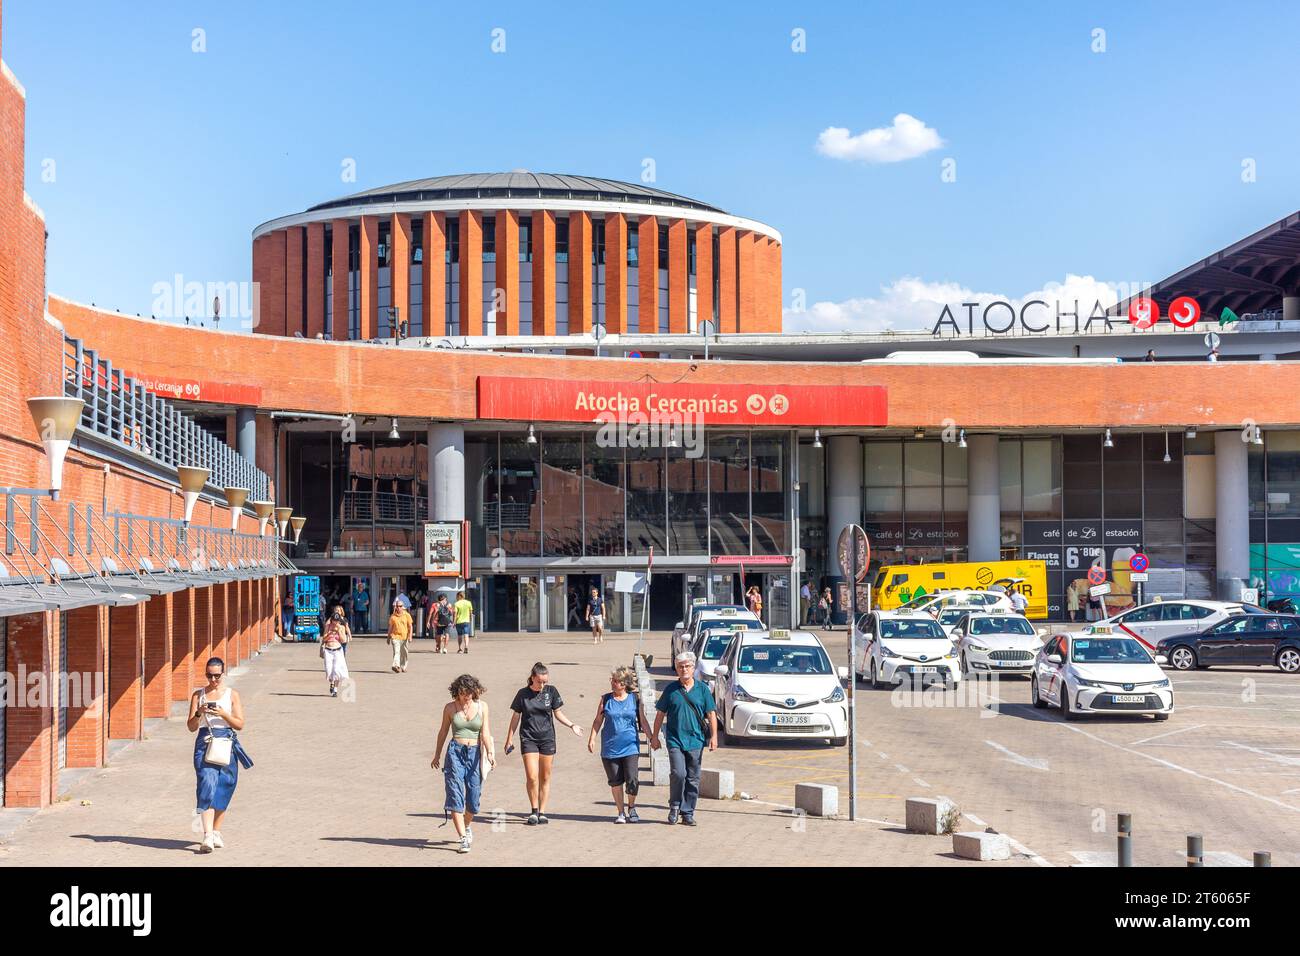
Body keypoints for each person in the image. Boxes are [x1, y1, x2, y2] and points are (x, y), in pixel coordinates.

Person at [504, 662, 582, 825]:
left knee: (545, 776)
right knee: (532, 776)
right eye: (540, 681)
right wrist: (509, 738)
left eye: (545, 681)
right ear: (533, 678)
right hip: (528, 738)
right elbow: (516, 717)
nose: (543, 685)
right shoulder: (522, 694)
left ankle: (543, 812)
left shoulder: (551, 692)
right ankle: (533, 811)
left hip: (547, 738)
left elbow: (558, 713)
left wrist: (572, 725)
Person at [186, 657, 246, 853]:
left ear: (223, 674)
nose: (213, 680)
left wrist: (223, 714)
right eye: (209, 675)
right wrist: (198, 713)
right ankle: (207, 835)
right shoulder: (198, 695)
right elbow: (191, 727)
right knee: (206, 784)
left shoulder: (232, 695)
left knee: (225, 785)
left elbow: (240, 724)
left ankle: (216, 832)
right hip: (205, 743)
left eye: (217, 676)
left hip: (227, 743)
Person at [650, 651, 716, 826]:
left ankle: (687, 812)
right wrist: (654, 737)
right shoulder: (671, 690)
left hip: (696, 740)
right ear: (676, 669)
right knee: (678, 773)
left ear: (693, 668)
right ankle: (675, 806)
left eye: (687, 666)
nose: (684, 669)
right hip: (675, 739)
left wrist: (714, 737)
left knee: (693, 777)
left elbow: (711, 714)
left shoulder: (702, 689)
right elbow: (660, 715)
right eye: (680, 666)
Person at [432, 674, 495, 855]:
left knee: (474, 801)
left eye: (468, 693)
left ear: (474, 691)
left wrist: (490, 752)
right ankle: (462, 838)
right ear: (456, 692)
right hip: (455, 753)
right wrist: (437, 755)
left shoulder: (482, 707)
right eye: (461, 693)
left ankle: (466, 825)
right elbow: (443, 732)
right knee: (454, 795)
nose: (465, 697)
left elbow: (485, 732)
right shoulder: (450, 708)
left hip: (475, 753)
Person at [588, 665, 654, 823]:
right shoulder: (605, 699)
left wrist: (652, 738)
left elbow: (643, 721)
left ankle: (631, 806)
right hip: (610, 748)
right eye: (612, 680)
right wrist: (592, 738)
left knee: (632, 779)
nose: (612, 683)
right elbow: (598, 720)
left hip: (630, 746)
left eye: (615, 681)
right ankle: (621, 812)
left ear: (623, 684)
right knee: (616, 781)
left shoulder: (635, 699)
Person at [321, 606, 351, 697]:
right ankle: (332, 683)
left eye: (337, 621)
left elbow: (343, 640)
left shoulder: (341, 627)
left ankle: (335, 690)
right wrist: (330, 633)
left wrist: (339, 631)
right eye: (334, 620)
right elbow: (324, 639)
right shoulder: (328, 626)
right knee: (329, 671)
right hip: (328, 650)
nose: (335, 623)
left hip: (337, 650)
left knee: (337, 670)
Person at [388, 597, 413, 673]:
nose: (399, 608)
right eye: (397, 606)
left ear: (403, 607)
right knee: (397, 652)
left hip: (404, 637)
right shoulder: (393, 617)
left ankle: (403, 666)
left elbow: (410, 626)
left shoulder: (407, 615)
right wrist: (388, 637)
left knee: (404, 653)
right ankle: (396, 666)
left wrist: (410, 636)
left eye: (400, 606)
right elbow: (390, 628)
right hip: (395, 637)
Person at [453, 590, 474, 654]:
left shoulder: (456, 603)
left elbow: (455, 614)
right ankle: (466, 646)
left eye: (457, 596)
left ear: (459, 596)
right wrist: (470, 620)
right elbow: (471, 612)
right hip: (466, 621)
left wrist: (454, 622)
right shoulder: (469, 602)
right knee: (466, 635)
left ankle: (460, 648)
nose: (456, 597)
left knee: (459, 635)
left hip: (459, 622)